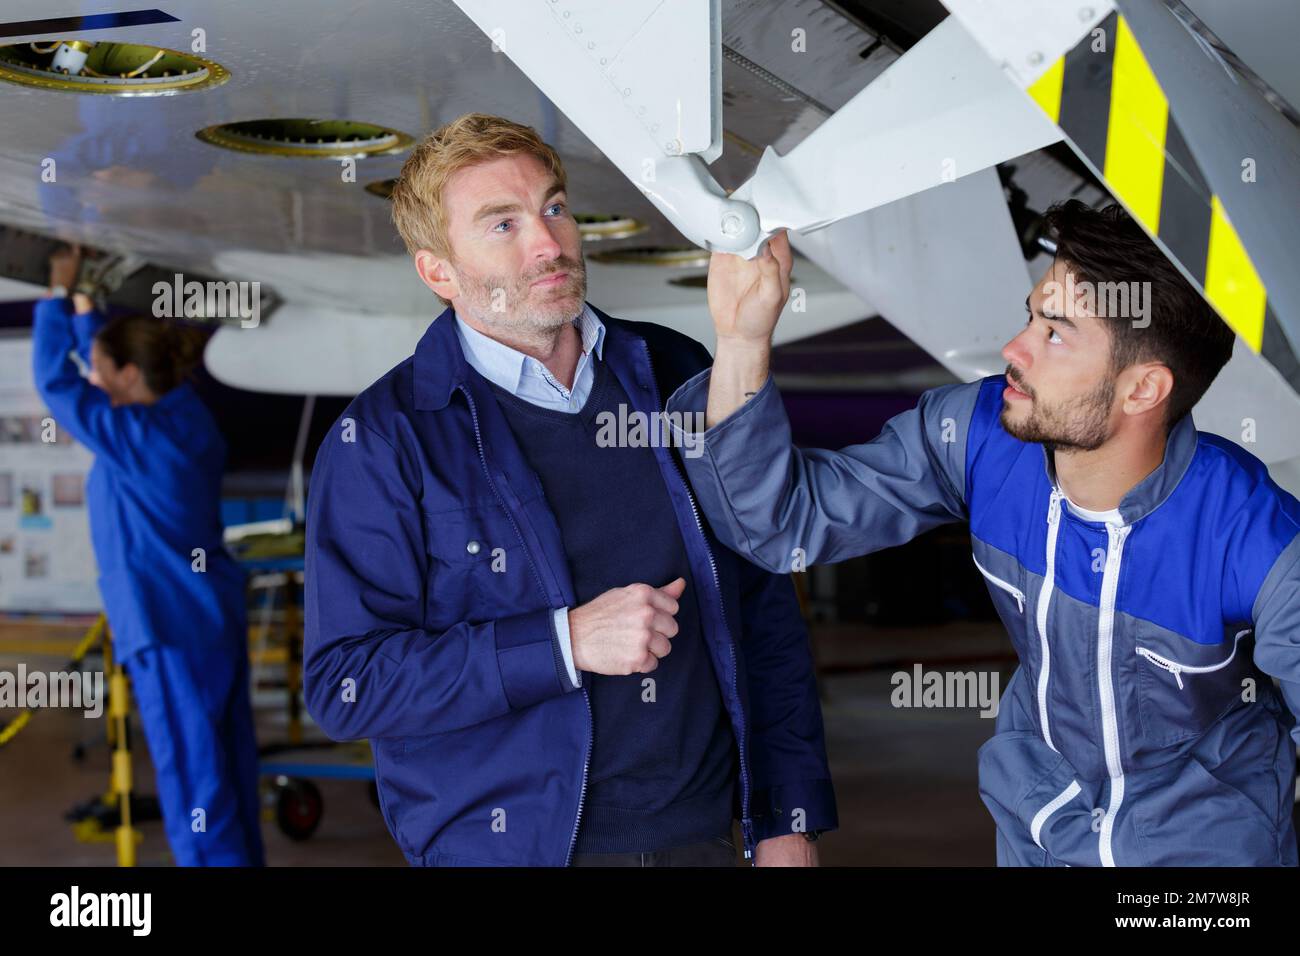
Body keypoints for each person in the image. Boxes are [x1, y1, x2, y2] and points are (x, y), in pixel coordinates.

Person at [664, 201, 1300, 866]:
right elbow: (779, 524)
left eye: (1055, 334)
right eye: (1032, 315)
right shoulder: (976, 436)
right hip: (1036, 835)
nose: (1013, 349)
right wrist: (741, 341)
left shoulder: (1262, 545)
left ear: (1143, 389)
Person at [303, 113, 836, 867]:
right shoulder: (385, 442)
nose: (549, 243)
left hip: (706, 840)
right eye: (503, 225)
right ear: (438, 273)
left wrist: (789, 812)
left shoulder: (673, 368)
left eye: (554, 207)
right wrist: (563, 643)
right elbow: (346, 684)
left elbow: (761, 598)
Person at [32, 245, 264, 866]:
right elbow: (106, 370)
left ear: (131, 378)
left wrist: (57, 293)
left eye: (103, 373)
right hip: (210, 618)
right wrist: (87, 309)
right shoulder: (187, 421)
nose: (95, 383)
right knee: (229, 770)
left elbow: (55, 383)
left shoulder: (133, 438)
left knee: (194, 783)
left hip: (166, 628)